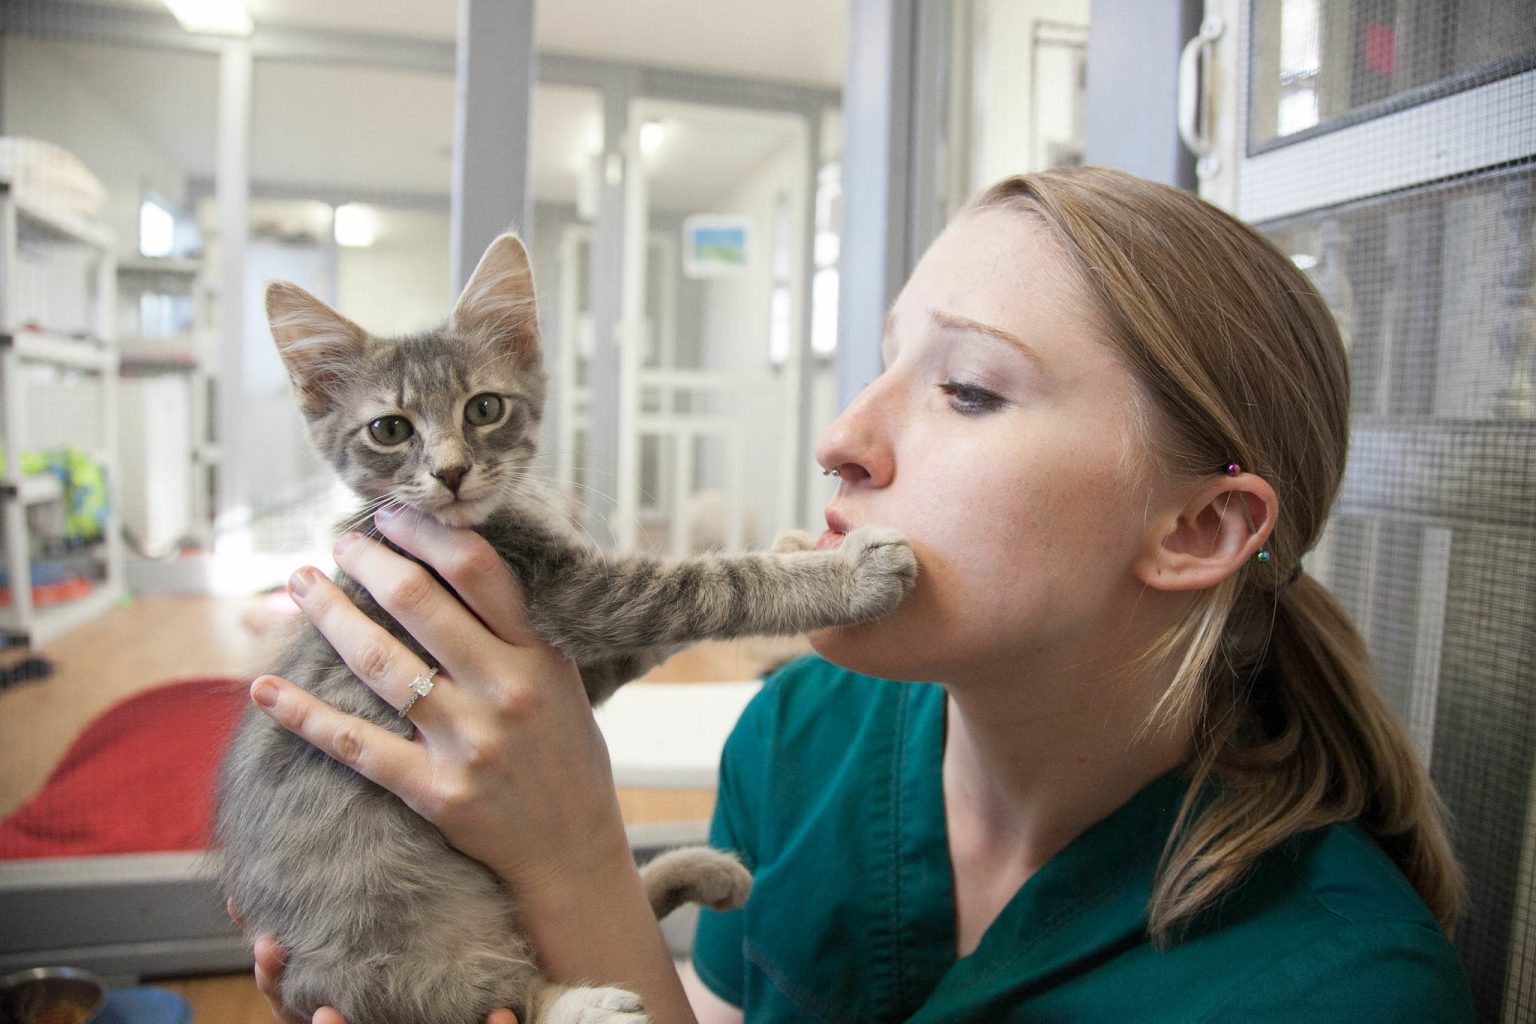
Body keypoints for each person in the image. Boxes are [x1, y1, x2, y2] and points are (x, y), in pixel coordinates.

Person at [243, 166, 1475, 1022]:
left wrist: (570, 853)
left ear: (1200, 525)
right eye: (886, 361)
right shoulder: (800, 736)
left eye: (970, 390)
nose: (841, 438)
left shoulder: (1345, 989)